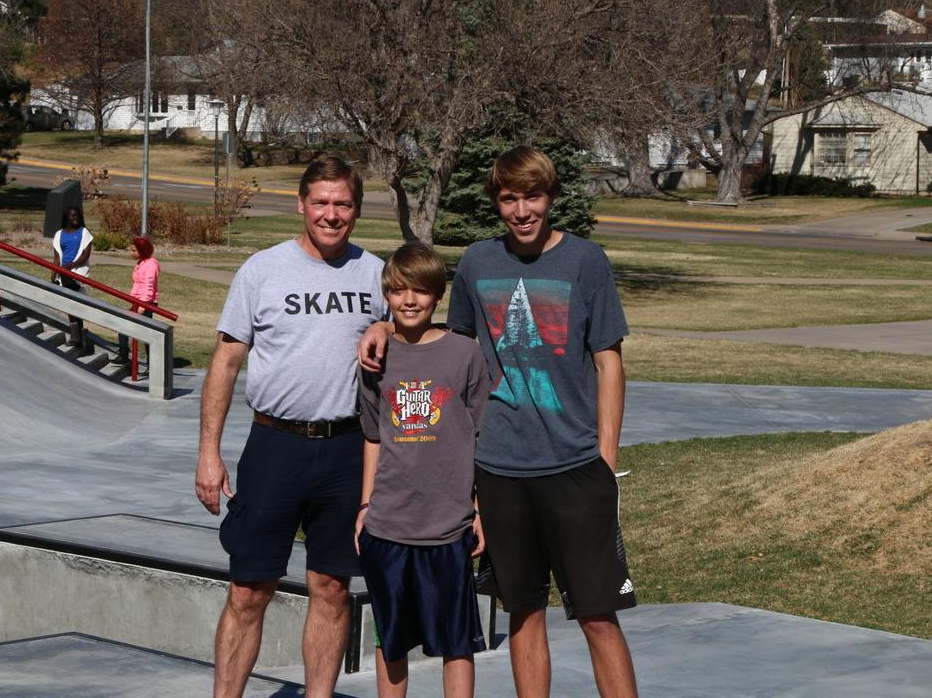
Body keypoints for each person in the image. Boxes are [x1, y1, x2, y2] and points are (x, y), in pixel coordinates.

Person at [359, 146, 638, 698]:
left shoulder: (586, 261)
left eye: (532, 196)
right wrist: (384, 329)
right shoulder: (479, 263)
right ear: (497, 204)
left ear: (550, 197)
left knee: (598, 616)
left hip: (575, 466)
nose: (522, 210)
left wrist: (606, 459)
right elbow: (448, 342)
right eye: (509, 199)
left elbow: (609, 362)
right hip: (499, 470)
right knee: (523, 611)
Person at [195, 156, 389, 698]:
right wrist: (208, 452)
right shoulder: (262, 270)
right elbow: (226, 361)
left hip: (348, 449)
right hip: (275, 445)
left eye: (343, 204)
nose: (331, 214)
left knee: (331, 587)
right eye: (321, 202)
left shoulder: (375, 274)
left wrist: (388, 325)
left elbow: (411, 339)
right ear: (301, 205)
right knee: (248, 591)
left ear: (356, 209)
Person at [356, 242, 492, 698]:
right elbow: (373, 438)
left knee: (458, 643)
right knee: (390, 639)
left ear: (438, 296)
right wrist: (366, 505)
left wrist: (478, 510)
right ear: (386, 296)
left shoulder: (464, 353)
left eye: (420, 291)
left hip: (448, 527)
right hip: (390, 525)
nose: (408, 300)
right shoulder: (375, 356)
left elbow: (479, 437)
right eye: (397, 291)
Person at [51, 205, 93, 348]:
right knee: (70, 305)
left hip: (77, 274)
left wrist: (70, 266)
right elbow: (56, 257)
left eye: (77, 215)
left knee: (73, 304)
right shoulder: (59, 234)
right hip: (62, 274)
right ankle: (81, 336)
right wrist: (53, 275)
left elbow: (86, 254)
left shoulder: (84, 232)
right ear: (66, 218)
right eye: (72, 216)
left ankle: (77, 337)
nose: (75, 218)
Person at [128, 236, 160, 379]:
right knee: (124, 327)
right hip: (137, 302)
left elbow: (149, 287)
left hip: (146, 304)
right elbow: (138, 284)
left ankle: (152, 366)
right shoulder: (141, 263)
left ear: (142, 250)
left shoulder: (151, 265)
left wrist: (143, 306)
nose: (131, 253)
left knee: (147, 335)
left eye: (134, 250)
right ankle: (123, 355)